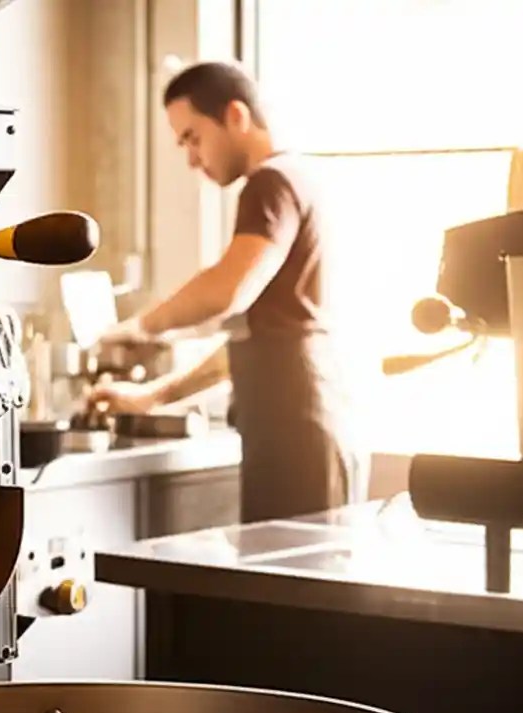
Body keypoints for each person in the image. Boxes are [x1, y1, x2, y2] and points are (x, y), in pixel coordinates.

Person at [89, 61, 366, 523]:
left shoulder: (270, 183)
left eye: (193, 138)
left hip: (298, 434)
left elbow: (228, 290)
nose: (192, 159)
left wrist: (140, 327)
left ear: (236, 116)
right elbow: (249, 337)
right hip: (305, 428)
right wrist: (153, 396)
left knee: (289, 569)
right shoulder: (298, 177)